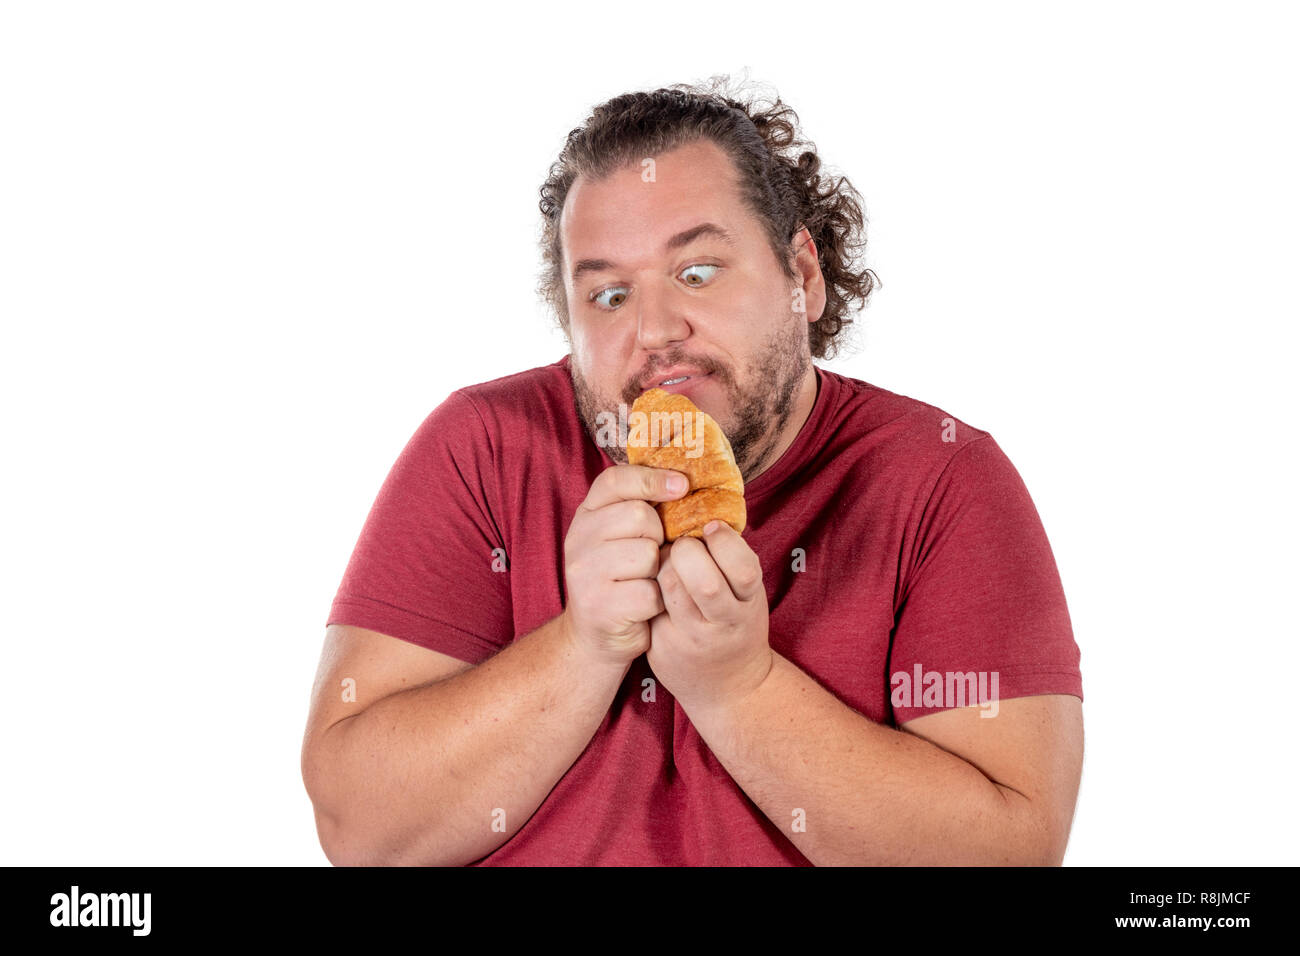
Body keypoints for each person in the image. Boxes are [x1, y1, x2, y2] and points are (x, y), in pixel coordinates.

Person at [300, 78, 1084, 866]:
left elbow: (1012, 853)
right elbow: (359, 831)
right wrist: (581, 645)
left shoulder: (941, 478)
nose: (654, 331)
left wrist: (737, 687)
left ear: (802, 276)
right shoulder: (484, 446)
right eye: (609, 295)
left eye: (698, 273)